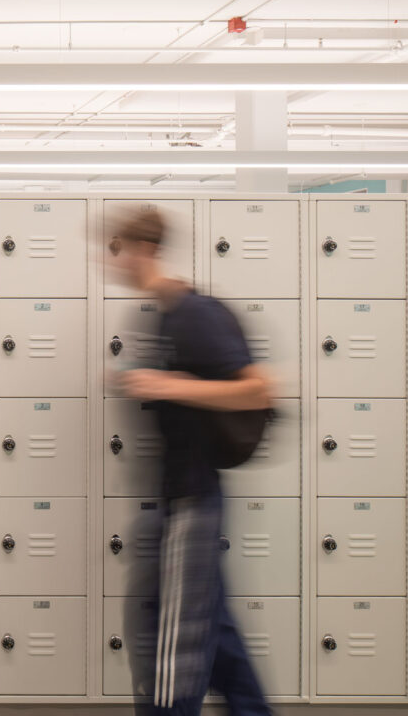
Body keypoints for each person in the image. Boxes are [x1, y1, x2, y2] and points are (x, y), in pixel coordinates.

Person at [112, 209, 274, 716]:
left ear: (142, 249)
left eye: (114, 249)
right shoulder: (164, 314)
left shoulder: (193, 313)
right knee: (221, 644)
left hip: (192, 502)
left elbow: (258, 390)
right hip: (179, 499)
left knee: (174, 654)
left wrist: (166, 385)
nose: (109, 261)